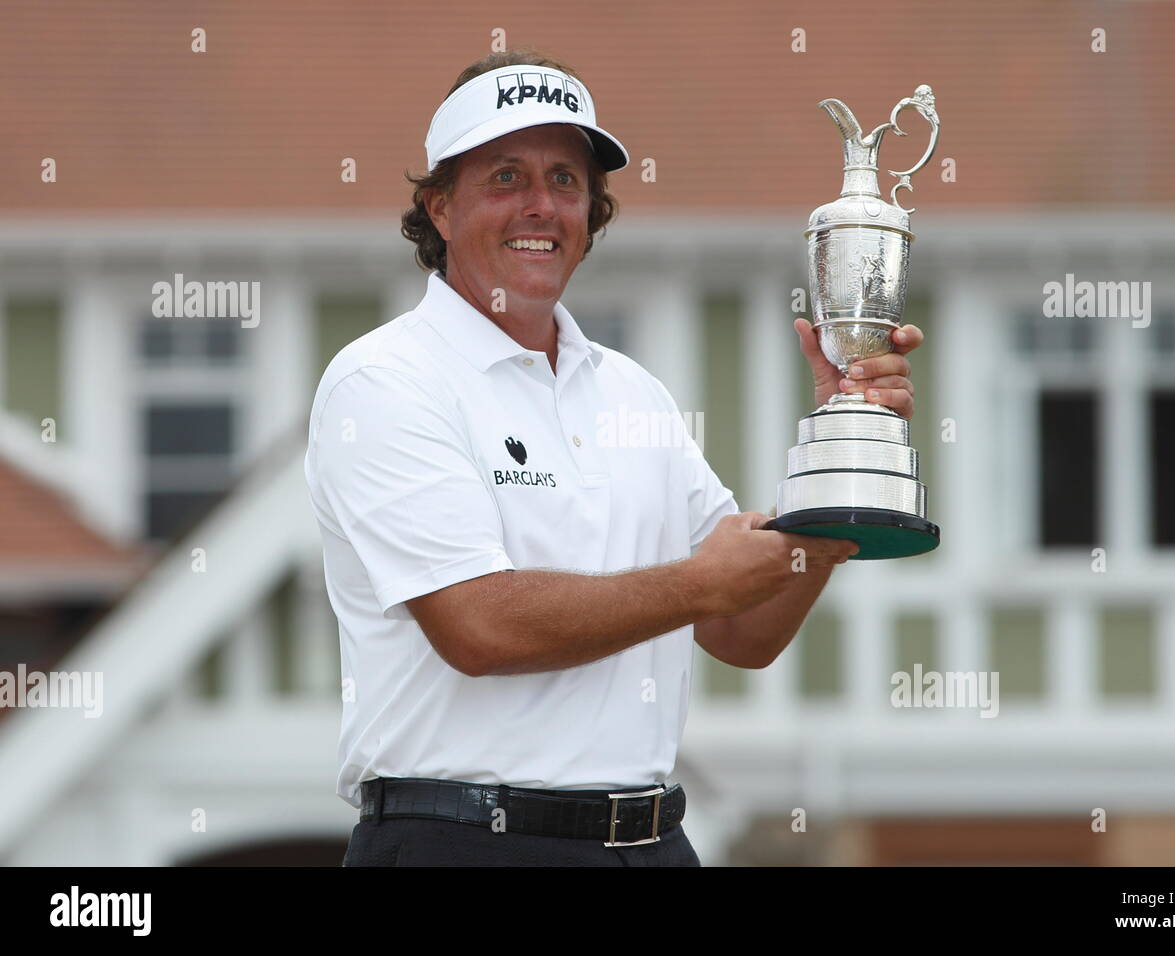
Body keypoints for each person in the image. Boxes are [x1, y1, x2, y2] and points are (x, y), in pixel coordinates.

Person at [303, 48, 925, 867]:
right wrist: (701, 581)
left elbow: (741, 629)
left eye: (566, 180)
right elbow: (478, 627)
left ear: (592, 211)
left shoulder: (633, 393)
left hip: (652, 844)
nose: (541, 206)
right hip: (458, 844)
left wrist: (841, 464)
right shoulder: (384, 379)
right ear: (440, 207)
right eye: (504, 178)